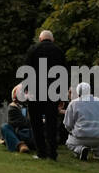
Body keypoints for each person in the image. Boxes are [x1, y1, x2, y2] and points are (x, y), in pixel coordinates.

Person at [25, 29, 68, 160]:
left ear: (40, 39)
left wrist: (27, 90)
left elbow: (27, 71)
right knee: (51, 123)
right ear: (52, 39)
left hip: (35, 91)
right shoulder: (59, 51)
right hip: (53, 92)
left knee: (36, 123)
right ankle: (53, 153)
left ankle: (41, 152)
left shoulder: (33, 50)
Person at [63, 82, 99, 160]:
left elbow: (68, 124)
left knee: (69, 143)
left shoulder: (73, 103)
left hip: (81, 137)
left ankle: (81, 149)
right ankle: (98, 153)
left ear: (78, 92)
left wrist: (72, 131)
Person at [0, 84, 34, 153]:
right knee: (4, 126)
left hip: (31, 135)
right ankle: (20, 145)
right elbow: (24, 122)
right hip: (20, 134)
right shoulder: (13, 108)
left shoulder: (32, 106)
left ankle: (11, 141)